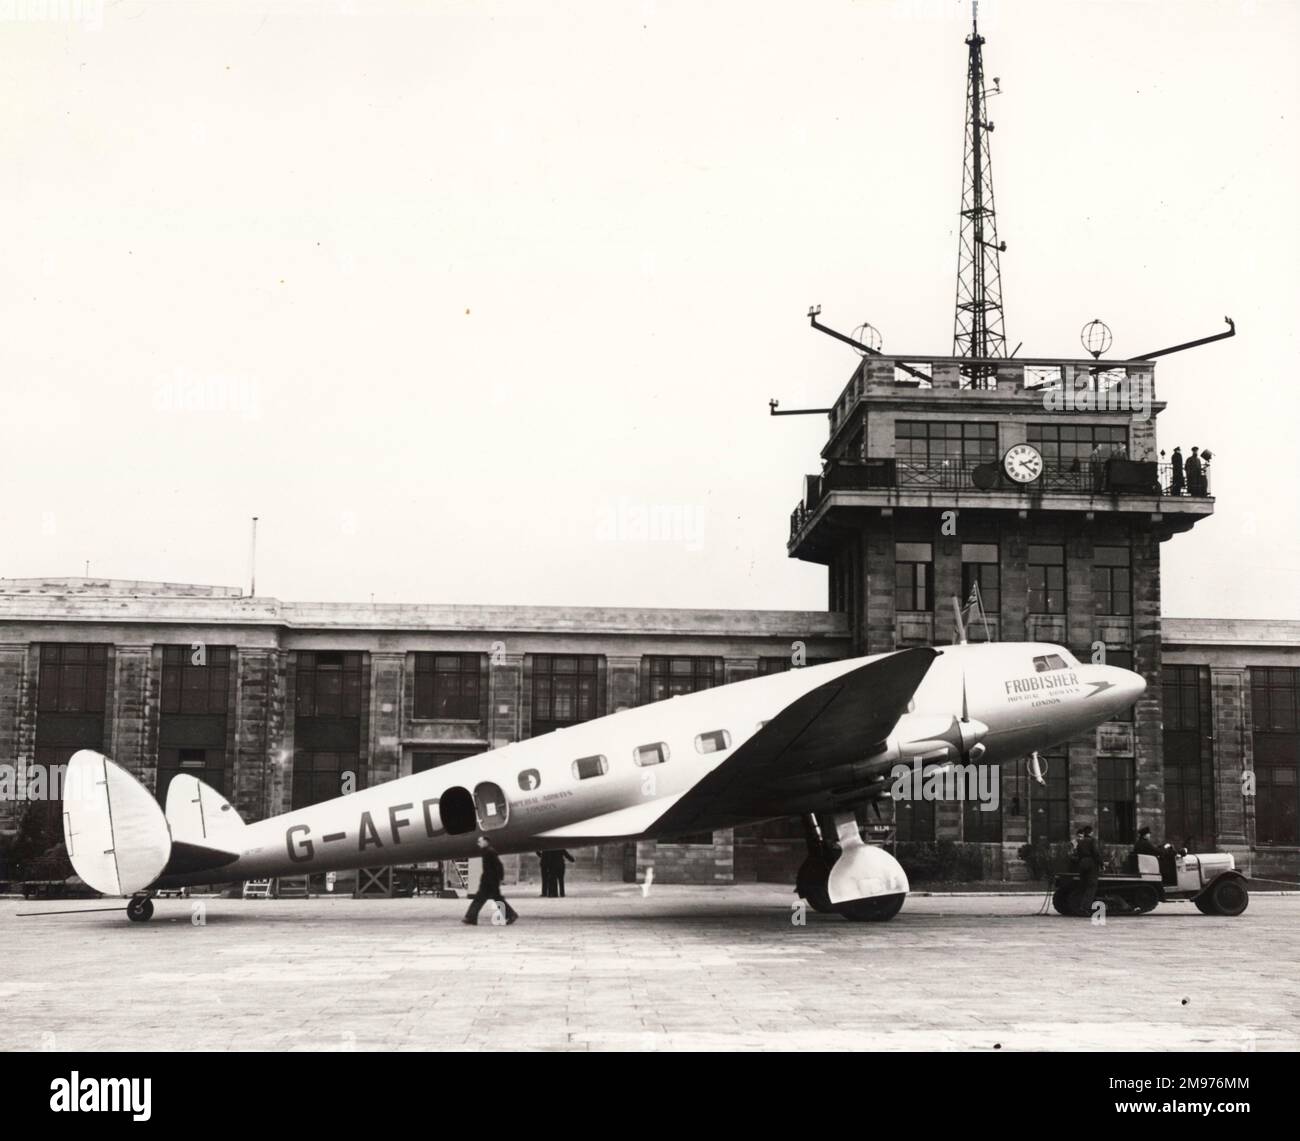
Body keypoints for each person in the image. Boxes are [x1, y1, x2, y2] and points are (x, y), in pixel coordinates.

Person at [463, 836, 518, 925]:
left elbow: (499, 866)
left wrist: (499, 879)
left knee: (479, 899)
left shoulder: (490, 852)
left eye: (480, 841)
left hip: (489, 881)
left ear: (486, 842)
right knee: (494, 899)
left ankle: (471, 918)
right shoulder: (487, 851)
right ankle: (511, 914)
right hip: (490, 880)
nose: (478, 843)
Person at [1073, 824, 1101, 917]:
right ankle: (1085, 908)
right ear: (1091, 832)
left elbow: (1077, 854)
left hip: (1082, 863)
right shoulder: (1092, 840)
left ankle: (1078, 905)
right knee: (1091, 886)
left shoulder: (1080, 842)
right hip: (1091, 863)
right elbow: (1096, 853)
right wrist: (1101, 864)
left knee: (1083, 885)